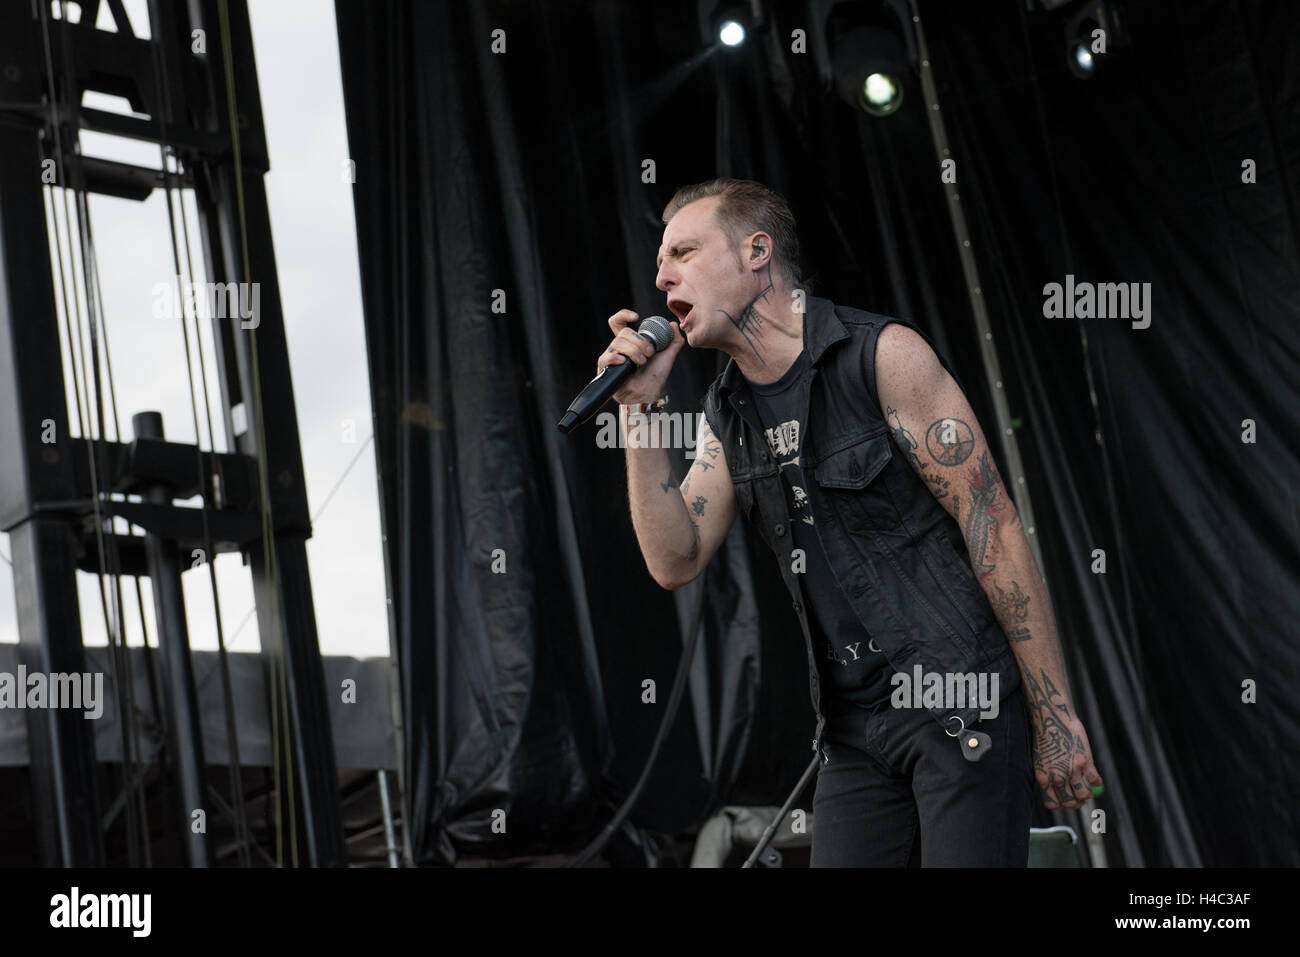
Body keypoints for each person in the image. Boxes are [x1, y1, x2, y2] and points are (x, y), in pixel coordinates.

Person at [596, 178, 1103, 866]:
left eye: (682, 251)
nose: (661, 276)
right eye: (660, 261)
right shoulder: (729, 412)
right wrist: (637, 411)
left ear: (757, 252)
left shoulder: (882, 356)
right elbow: (673, 558)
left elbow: (996, 528)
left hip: (960, 701)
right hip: (852, 731)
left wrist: (1053, 712)